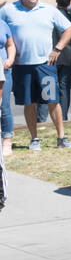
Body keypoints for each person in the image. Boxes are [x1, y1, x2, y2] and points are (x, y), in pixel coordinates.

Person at [0, 0, 71, 151]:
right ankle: (34, 139)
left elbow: (70, 29)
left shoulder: (48, 9)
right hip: (22, 66)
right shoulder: (8, 10)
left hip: (45, 65)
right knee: (29, 102)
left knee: (53, 100)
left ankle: (61, 137)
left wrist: (57, 49)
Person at [0, 18, 14, 157]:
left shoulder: (2, 24)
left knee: (4, 106)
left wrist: (10, 59)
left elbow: (10, 45)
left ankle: (7, 140)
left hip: (3, 70)